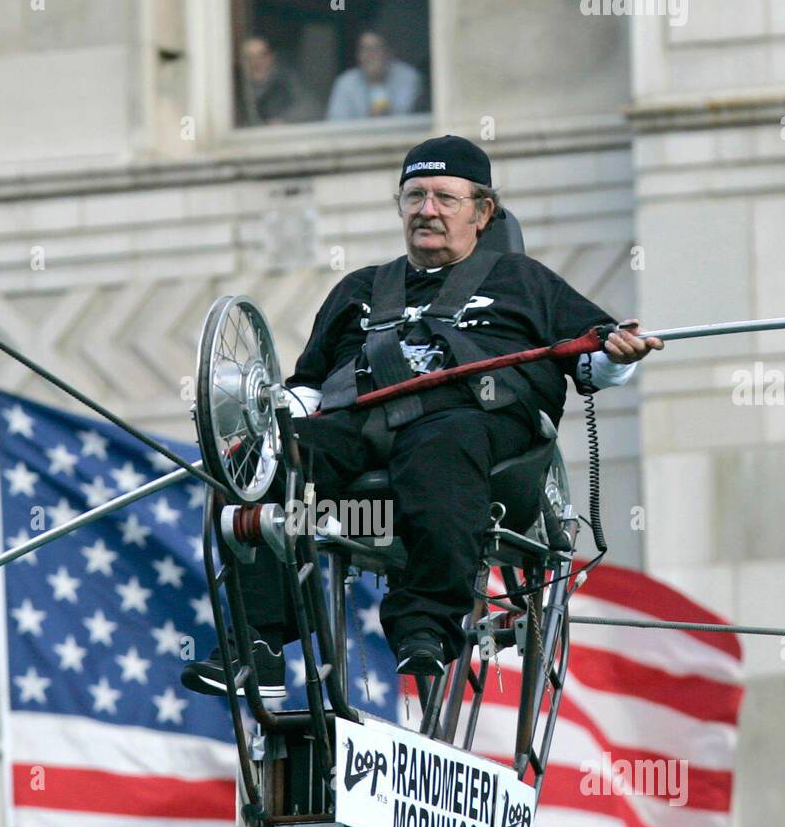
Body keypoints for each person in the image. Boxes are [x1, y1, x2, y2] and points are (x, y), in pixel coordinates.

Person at [182, 134, 663, 698]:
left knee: (441, 441)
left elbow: (594, 357)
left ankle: (426, 624)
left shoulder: (525, 283)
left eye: (444, 197)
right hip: (361, 434)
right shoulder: (359, 289)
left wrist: (616, 356)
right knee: (271, 459)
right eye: (414, 196)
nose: (426, 210)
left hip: (479, 432)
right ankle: (257, 647)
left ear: (483, 212)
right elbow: (307, 390)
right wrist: (266, 425)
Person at [326, 31, 423, 121]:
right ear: (358, 55)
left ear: (389, 52)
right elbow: (336, 122)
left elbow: (403, 117)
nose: (370, 55)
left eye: (376, 48)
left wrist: (377, 82)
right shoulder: (346, 82)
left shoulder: (407, 77)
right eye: (365, 49)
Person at [238, 36, 319, 126]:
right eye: (249, 57)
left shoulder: (287, 79)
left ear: (271, 57)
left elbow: (311, 107)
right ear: (242, 61)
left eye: (262, 55)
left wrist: (284, 120)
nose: (256, 61)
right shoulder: (235, 87)